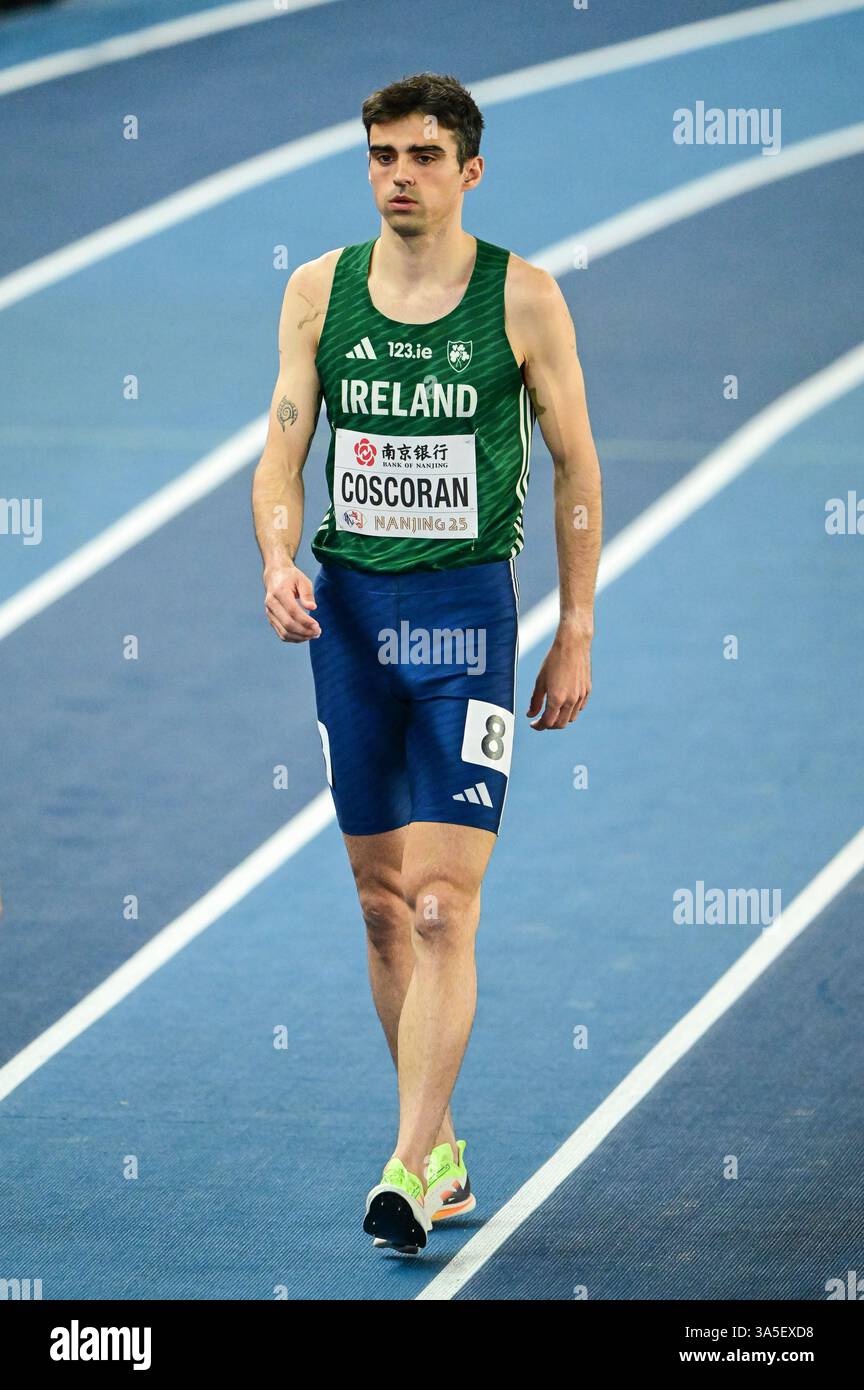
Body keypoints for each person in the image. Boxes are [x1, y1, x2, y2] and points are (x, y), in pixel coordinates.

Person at [252, 71, 602, 1253]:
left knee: (446, 902)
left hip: (464, 625)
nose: (397, 174)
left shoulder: (525, 300)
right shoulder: (318, 293)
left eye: (421, 156)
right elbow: (281, 451)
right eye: (380, 155)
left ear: (469, 172)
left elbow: (577, 474)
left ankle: (405, 1163)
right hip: (349, 618)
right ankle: (440, 1148)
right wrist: (275, 557)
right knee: (380, 905)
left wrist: (578, 629)